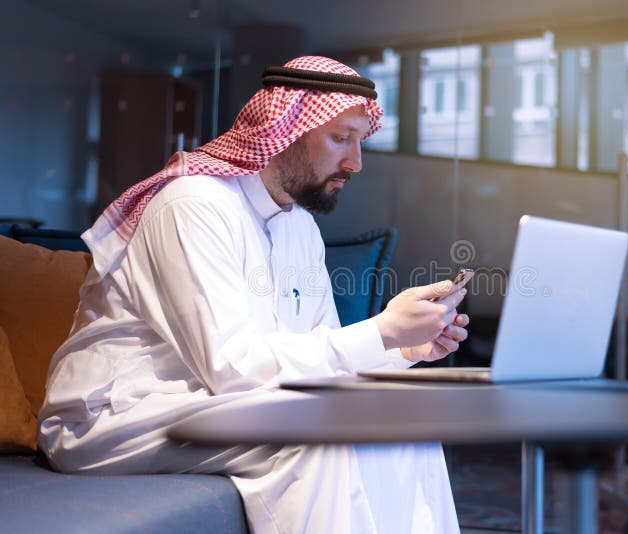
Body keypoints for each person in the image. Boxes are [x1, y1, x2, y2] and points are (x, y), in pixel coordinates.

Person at [37, 56, 469, 533]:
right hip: (114, 414)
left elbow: (316, 359)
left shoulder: (299, 227)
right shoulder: (195, 205)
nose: (355, 162)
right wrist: (378, 331)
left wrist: (398, 348)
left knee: (407, 416)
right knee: (315, 430)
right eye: (341, 138)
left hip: (208, 397)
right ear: (284, 129)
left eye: (359, 141)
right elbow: (232, 368)